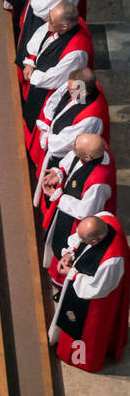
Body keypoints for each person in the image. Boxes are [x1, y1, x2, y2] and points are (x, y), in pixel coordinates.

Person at [49, 213, 130, 373]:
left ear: (94, 242)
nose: (80, 240)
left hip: (92, 305)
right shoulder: (104, 219)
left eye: (85, 240)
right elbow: (78, 239)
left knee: (83, 332)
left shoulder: (112, 260)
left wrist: (72, 274)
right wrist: (69, 253)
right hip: (78, 286)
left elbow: (97, 288)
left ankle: (78, 358)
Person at [39, 135, 115, 285]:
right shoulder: (89, 150)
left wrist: (58, 197)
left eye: (75, 147)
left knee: (64, 247)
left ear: (87, 157)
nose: (72, 147)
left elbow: (85, 211)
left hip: (76, 222)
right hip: (66, 208)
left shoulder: (98, 183)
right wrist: (59, 172)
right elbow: (72, 161)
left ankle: (60, 282)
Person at [18, 2, 93, 140]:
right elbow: (43, 32)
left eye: (51, 20)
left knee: (43, 127)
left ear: (64, 27)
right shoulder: (62, 23)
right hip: (40, 75)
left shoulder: (75, 53)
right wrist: (31, 60)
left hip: (51, 91)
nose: (47, 21)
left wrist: (33, 73)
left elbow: (54, 79)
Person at [30, 68, 108, 173]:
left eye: (71, 90)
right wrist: (48, 119)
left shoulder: (90, 118)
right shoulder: (79, 85)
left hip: (64, 156)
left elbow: (69, 142)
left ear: (83, 92)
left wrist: (46, 138)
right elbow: (58, 96)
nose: (67, 88)